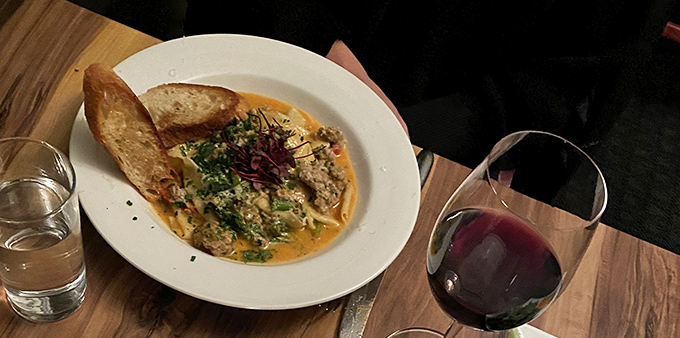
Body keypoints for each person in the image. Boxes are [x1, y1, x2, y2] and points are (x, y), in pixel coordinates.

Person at [182, 1, 675, 166]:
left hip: (454, 140)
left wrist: (397, 141)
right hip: (281, 65)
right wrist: (323, 47)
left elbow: (558, 92)